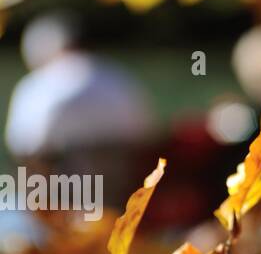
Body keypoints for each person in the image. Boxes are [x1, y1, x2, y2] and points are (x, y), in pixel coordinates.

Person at [4, 12, 160, 211]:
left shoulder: (36, 85)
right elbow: (149, 135)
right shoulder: (120, 77)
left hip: (61, 202)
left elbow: (22, 147)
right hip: (123, 198)